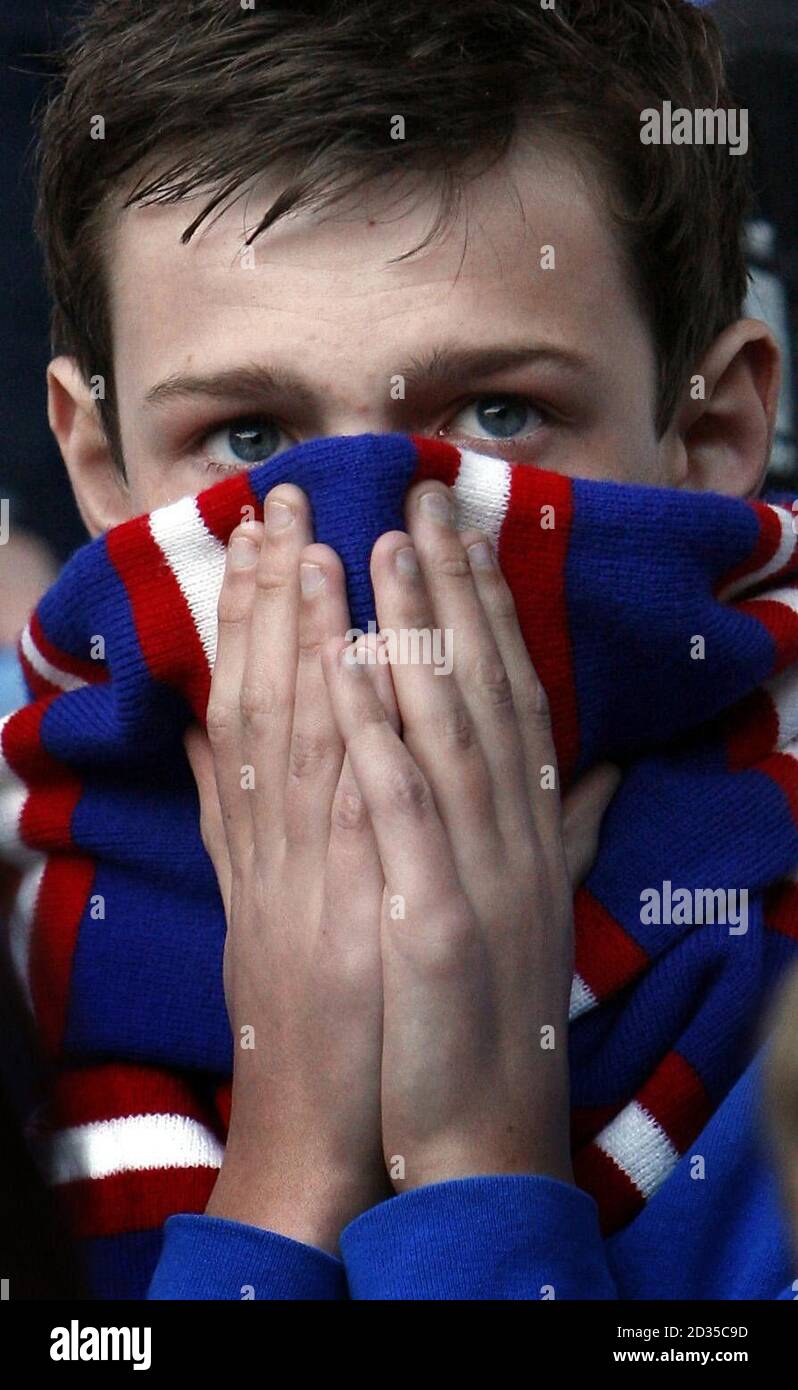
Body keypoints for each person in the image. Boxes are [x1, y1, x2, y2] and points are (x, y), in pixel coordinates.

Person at [10, 0, 796, 1299]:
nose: (373, 538)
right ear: (100, 468)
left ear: (708, 440)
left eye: (499, 413)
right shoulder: (24, 947)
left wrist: (476, 1158)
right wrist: (290, 1158)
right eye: (251, 437)